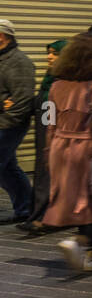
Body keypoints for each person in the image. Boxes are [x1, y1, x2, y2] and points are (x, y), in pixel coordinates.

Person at [45, 33, 92, 271]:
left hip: (59, 145)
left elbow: (51, 121)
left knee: (77, 200)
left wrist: (49, 150)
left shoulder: (57, 84)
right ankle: (85, 245)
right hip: (86, 147)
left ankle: (88, 247)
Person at [15, 39, 67, 234]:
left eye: (54, 53)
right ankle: (38, 214)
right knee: (43, 173)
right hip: (44, 131)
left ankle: (46, 217)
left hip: (55, 134)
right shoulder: (50, 78)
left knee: (50, 174)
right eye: (49, 52)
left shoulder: (66, 80)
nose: (49, 56)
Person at [0, 19, 35, 225]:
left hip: (9, 125)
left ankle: (27, 207)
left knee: (4, 167)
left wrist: (5, 123)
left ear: (2, 36)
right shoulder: (3, 59)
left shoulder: (19, 62)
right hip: (3, 121)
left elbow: (21, 100)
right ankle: (25, 208)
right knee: (7, 168)